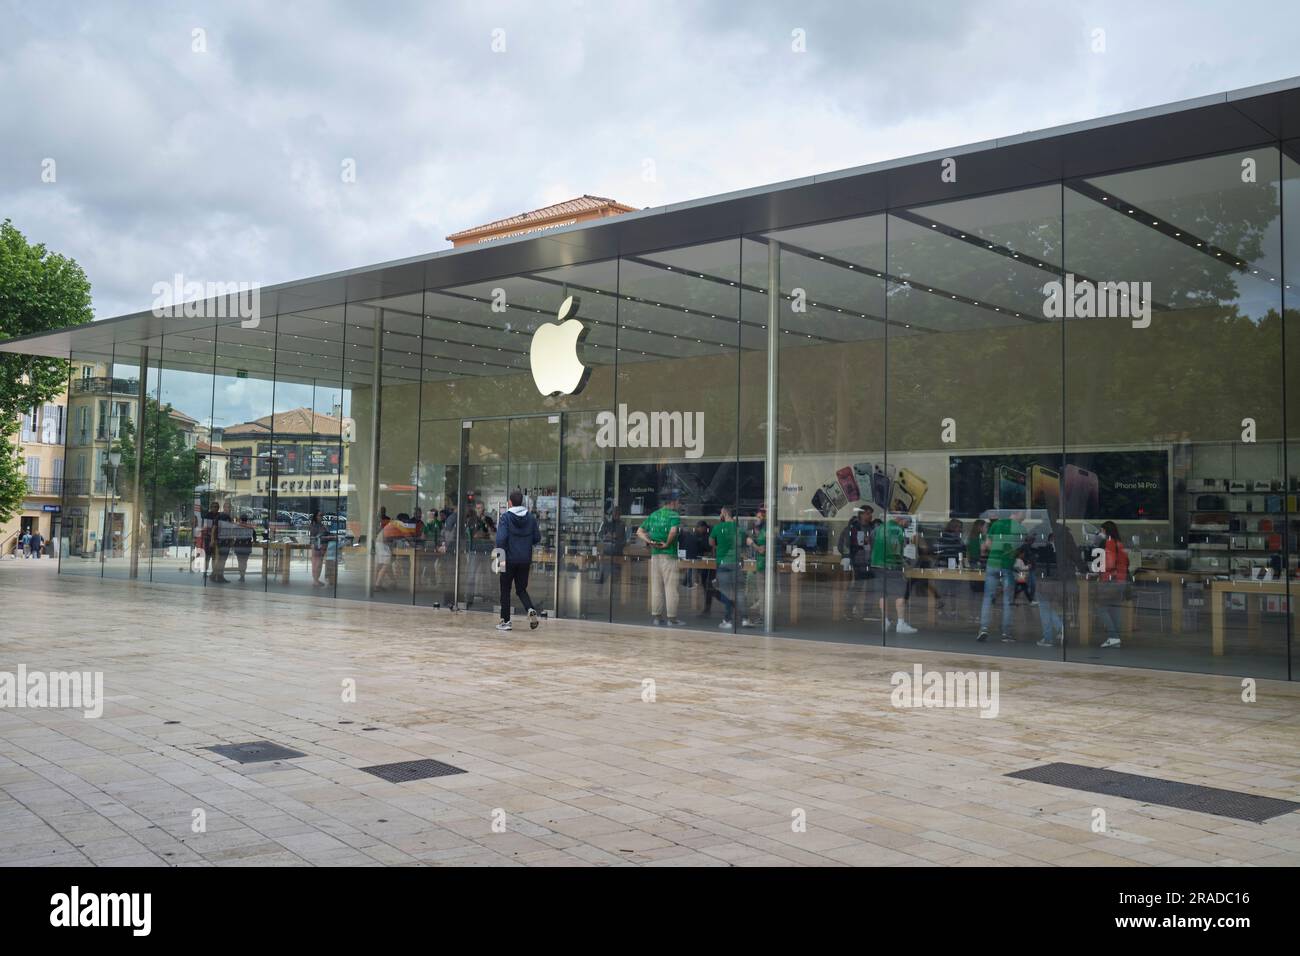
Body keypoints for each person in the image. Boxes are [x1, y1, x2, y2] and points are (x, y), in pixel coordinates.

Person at [495, 490, 542, 631]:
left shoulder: (506, 518)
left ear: (510, 502)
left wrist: (499, 559)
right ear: (521, 502)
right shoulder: (531, 518)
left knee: (505, 589)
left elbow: (500, 539)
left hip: (508, 559)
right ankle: (530, 609)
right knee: (521, 589)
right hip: (525, 559)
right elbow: (537, 538)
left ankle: (506, 622)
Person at [977, 509, 1026, 642]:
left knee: (988, 597)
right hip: (1007, 566)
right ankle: (1006, 633)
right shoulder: (1021, 529)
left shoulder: (996, 525)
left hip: (992, 563)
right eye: (1023, 515)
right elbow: (1017, 550)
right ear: (1015, 514)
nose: (1024, 518)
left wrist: (996, 551)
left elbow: (987, 545)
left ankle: (984, 629)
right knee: (1007, 601)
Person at [637, 492, 683, 626]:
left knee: (656, 586)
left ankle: (657, 617)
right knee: (671, 587)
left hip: (655, 555)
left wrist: (650, 542)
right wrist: (667, 543)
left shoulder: (654, 515)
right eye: (678, 502)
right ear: (673, 502)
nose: (679, 504)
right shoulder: (674, 515)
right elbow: (673, 531)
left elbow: (639, 531)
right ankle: (672, 619)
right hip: (669, 554)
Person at [870, 512, 916, 634]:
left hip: (877, 564)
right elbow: (895, 550)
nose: (908, 525)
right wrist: (905, 563)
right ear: (902, 520)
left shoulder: (881, 527)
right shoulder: (897, 529)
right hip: (891, 565)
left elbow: (872, 541)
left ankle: (885, 621)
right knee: (899, 594)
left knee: (882, 593)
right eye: (908, 522)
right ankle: (900, 624)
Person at [1096, 520, 1129, 648]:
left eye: (1102, 530)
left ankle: (1113, 636)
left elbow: (1109, 564)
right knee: (1115, 610)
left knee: (1101, 608)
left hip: (1111, 580)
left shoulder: (1109, 543)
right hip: (1120, 580)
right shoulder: (1119, 543)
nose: (1100, 533)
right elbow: (1126, 561)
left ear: (1106, 531)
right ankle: (1116, 638)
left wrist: (1099, 568)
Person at [837, 507, 874, 619]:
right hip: (858, 559)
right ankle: (849, 610)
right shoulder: (852, 528)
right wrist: (850, 555)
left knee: (871, 587)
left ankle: (866, 612)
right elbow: (842, 546)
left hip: (870, 559)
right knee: (858, 585)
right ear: (861, 514)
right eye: (867, 513)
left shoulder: (872, 527)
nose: (870, 516)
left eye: (870, 514)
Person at [707, 506, 738, 628]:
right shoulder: (736, 526)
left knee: (725, 591)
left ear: (724, 513)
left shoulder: (717, 527)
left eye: (720, 513)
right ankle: (737, 613)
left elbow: (710, 542)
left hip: (722, 561)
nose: (720, 515)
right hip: (734, 561)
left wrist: (718, 546)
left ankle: (727, 619)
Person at [741, 505, 769, 628]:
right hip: (759, 565)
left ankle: (764, 617)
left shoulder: (766, 531)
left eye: (759, 517)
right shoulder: (757, 531)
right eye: (756, 517)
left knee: (763, 593)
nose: (756, 519)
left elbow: (763, 550)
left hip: (764, 565)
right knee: (759, 591)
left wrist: (752, 544)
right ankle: (762, 615)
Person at [309, 510, 331, 587]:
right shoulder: (314, 525)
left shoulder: (321, 525)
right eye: (320, 515)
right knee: (316, 564)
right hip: (317, 546)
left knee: (320, 563)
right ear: (316, 516)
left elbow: (326, 533)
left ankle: (316, 579)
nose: (321, 517)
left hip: (322, 546)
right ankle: (315, 580)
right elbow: (316, 536)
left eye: (322, 515)